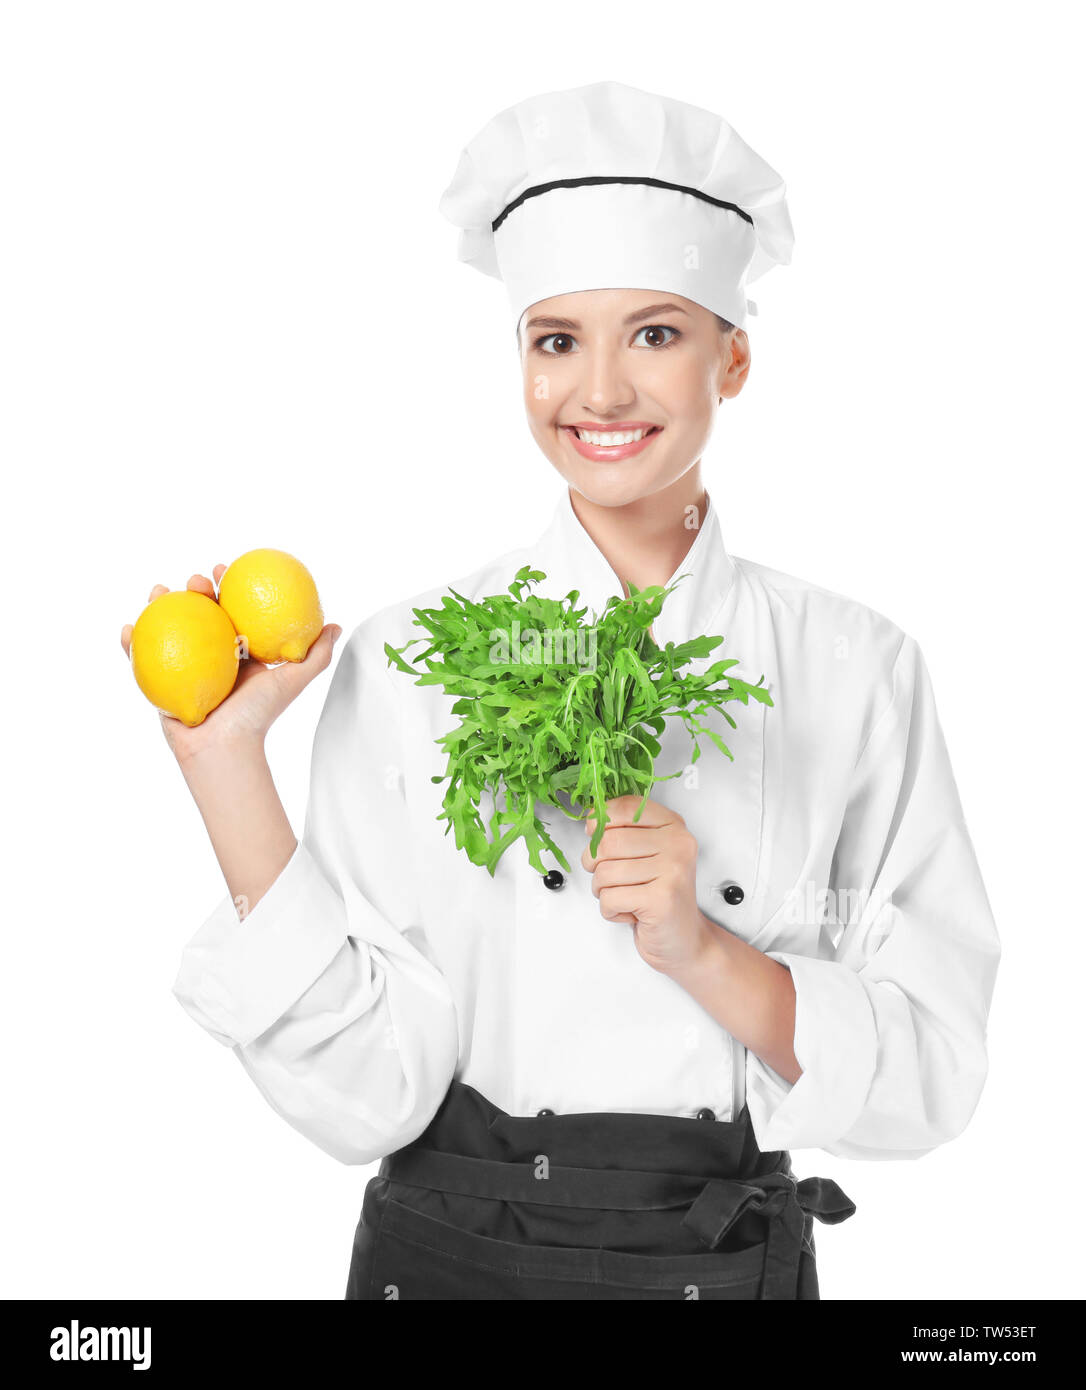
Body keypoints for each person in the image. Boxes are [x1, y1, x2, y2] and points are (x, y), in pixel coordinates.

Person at [120, 81, 1000, 1300]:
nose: (598, 392)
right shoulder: (413, 657)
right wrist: (224, 773)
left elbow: (934, 1070)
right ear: (520, 360)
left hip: (715, 1262)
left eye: (654, 333)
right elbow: (369, 1091)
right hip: (451, 1264)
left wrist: (703, 950)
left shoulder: (853, 668)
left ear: (733, 358)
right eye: (555, 340)